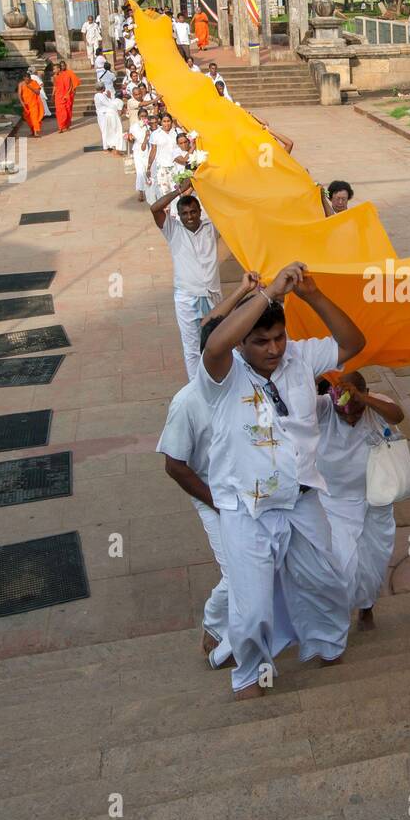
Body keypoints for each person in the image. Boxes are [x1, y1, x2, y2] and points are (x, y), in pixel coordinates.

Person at [197, 261, 366, 698]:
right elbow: (215, 342)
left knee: (328, 581)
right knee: (251, 608)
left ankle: (327, 643)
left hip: (302, 498)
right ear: (243, 344)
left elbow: (353, 342)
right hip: (246, 509)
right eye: (261, 341)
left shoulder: (300, 356)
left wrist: (312, 295)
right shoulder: (223, 374)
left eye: (279, 338)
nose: (273, 349)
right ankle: (250, 674)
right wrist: (268, 293)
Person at [157, 272, 262, 669]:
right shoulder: (187, 403)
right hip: (210, 493)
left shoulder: (240, 377)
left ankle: (220, 625)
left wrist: (246, 292)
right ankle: (221, 638)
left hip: (245, 486)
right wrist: (216, 502)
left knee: (251, 567)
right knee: (238, 572)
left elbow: (211, 326)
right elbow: (174, 466)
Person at [316, 372, 404, 630]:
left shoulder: (375, 403)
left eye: (356, 411)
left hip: (376, 498)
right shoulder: (322, 407)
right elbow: (294, 404)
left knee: (374, 560)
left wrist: (363, 398)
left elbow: (398, 416)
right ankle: (334, 620)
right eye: (344, 413)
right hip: (334, 502)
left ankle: (366, 607)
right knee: (342, 563)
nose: (351, 417)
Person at [151, 178, 223, 379]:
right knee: (191, 346)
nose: (189, 217)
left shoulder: (211, 227)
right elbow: (154, 208)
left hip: (213, 295)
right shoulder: (173, 230)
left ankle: (218, 380)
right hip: (186, 298)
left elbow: (226, 205)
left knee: (219, 340)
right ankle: (196, 386)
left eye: (193, 212)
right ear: (178, 215)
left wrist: (203, 183)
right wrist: (178, 191)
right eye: (184, 213)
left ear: (200, 212)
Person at [127, 107, 153, 202]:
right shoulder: (134, 126)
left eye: (145, 116)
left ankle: (150, 190)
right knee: (140, 171)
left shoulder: (150, 126)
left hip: (149, 150)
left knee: (148, 169)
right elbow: (131, 140)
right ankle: (141, 192)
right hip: (138, 150)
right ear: (138, 117)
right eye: (141, 116)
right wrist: (129, 138)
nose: (143, 118)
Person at [93, 84, 125, 154]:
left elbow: (109, 102)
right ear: (103, 88)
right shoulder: (99, 95)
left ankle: (110, 145)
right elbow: (109, 104)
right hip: (103, 115)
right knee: (105, 131)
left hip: (106, 115)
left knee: (109, 130)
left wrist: (109, 97)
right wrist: (118, 106)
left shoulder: (102, 95)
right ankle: (105, 148)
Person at [52, 61, 80, 133]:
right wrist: (53, 94)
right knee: (59, 112)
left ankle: (67, 125)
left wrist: (70, 92)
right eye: (61, 66)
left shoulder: (68, 73)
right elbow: (55, 86)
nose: (62, 67)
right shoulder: (55, 76)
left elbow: (72, 84)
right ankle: (60, 127)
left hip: (67, 95)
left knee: (67, 111)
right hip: (58, 96)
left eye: (63, 66)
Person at [18, 72, 44, 138]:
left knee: (35, 118)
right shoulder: (21, 84)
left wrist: (30, 87)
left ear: (30, 78)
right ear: (24, 78)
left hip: (34, 103)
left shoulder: (34, 82)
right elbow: (19, 95)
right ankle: (32, 131)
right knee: (29, 119)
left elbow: (38, 92)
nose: (27, 80)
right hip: (26, 104)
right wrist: (22, 103)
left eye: (29, 79)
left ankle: (36, 133)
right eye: (26, 79)